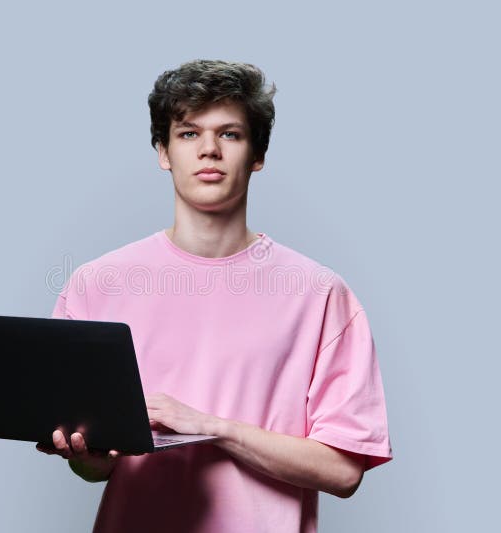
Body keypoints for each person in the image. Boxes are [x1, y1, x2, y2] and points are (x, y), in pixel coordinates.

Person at [36, 59, 392, 533]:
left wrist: (212, 428)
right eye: (188, 133)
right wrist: (89, 458)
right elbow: (93, 468)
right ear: (163, 152)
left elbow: (344, 471)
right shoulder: (95, 283)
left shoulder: (320, 293)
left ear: (257, 155)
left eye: (230, 134)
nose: (209, 149)